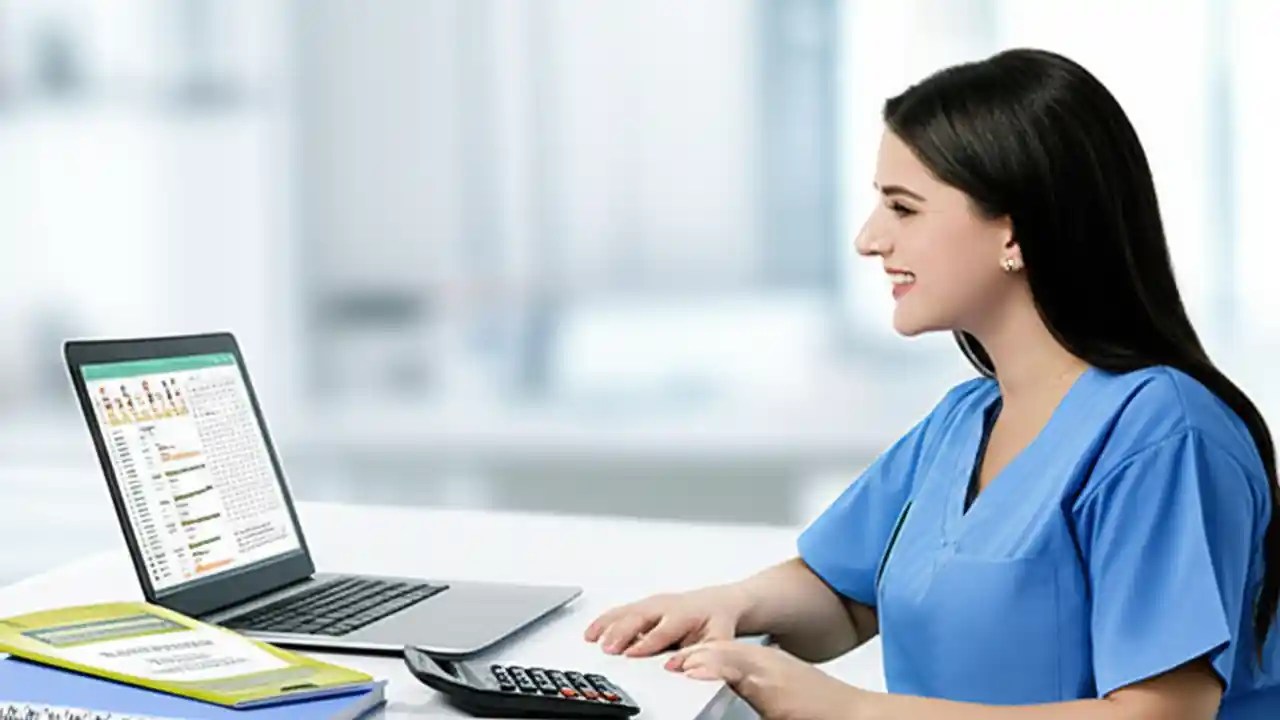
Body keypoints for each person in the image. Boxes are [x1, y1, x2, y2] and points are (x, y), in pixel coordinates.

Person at [584, 48, 1280, 719]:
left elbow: (1161, 715)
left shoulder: (1164, 434)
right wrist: (730, 603)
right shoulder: (965, 420)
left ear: (1016, 233)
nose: (868, 239)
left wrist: (856, 713)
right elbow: (847, 596)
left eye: (904, 208)